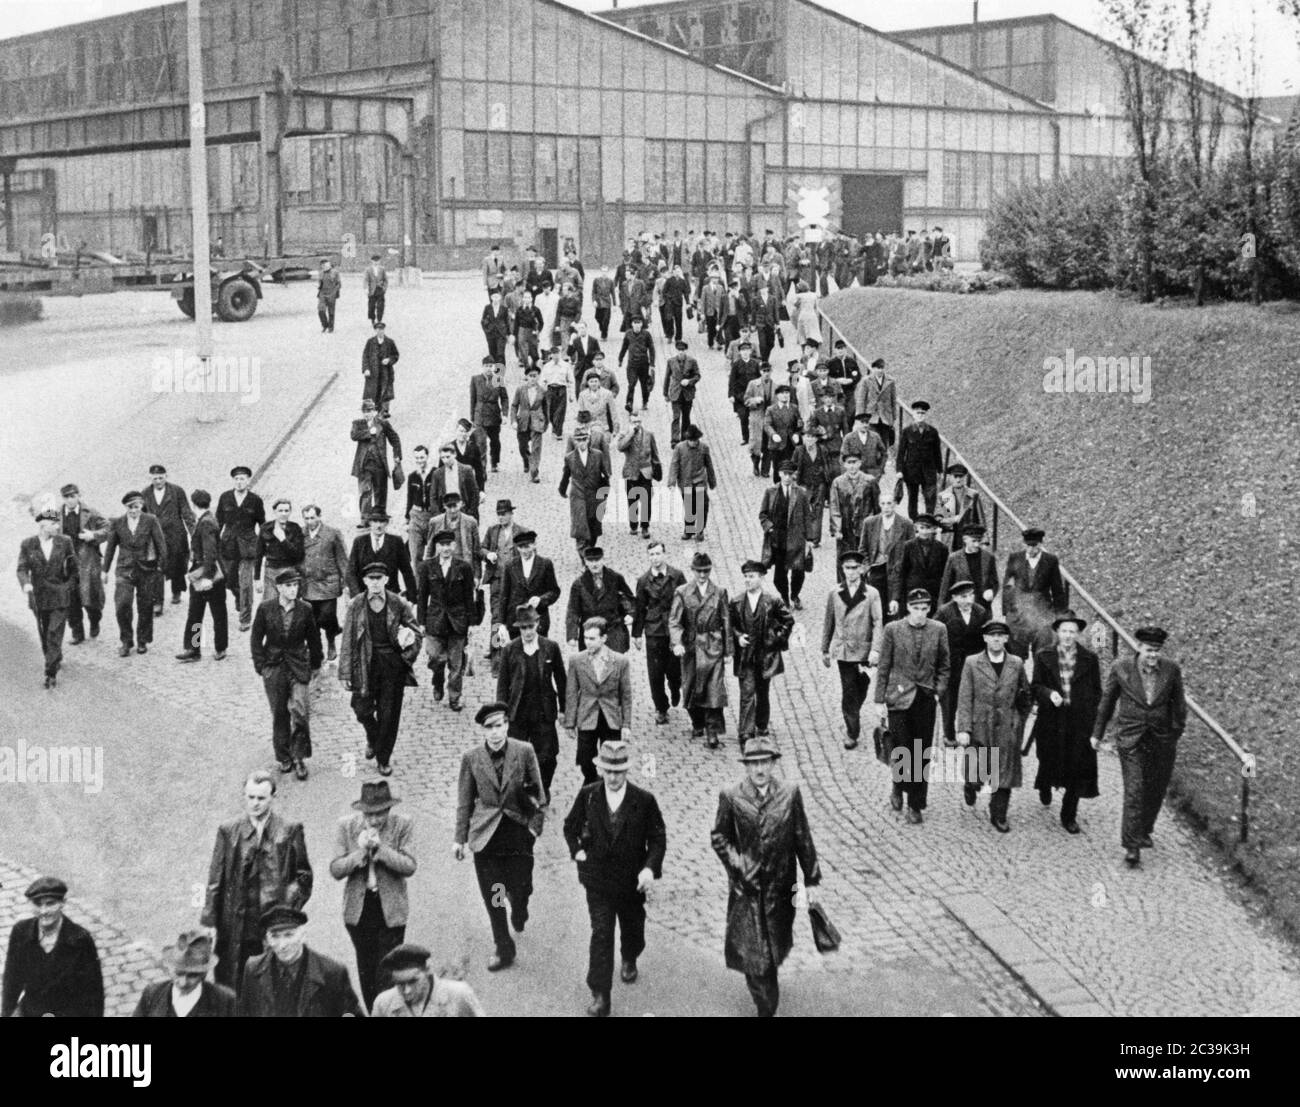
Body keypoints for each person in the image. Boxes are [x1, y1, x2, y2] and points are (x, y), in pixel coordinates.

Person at [711, 736, 821, 1018]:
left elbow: (802, 837)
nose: (760, 769)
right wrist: (738, 864)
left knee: (772, 949)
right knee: (753, 954)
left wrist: (811, 880)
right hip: (746, 890)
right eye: (754, 763)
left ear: (773, 763)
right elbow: (720, 837)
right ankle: (766, 1009)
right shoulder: (731, 796)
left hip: (780, 888)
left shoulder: (790, 793)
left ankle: (766, 994)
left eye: (765, 762)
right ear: (747, 766)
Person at [563, 741, 667, 1017]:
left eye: (618, 772)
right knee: (601, 934)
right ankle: (600, 994)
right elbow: (569, 826)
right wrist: (577, 852)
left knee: (633, 928)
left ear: (627, 770)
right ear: (600, 768)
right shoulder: (588, 796)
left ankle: (631, 954)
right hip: (597, 881)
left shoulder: (643, 801)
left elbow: (657, 838)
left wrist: (649, 869)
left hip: (632, 883)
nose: (612, 777)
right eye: (607, 771)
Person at [200, 771, 312, 993]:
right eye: (250, 797)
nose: (255, 804)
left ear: (273, 797)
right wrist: (209, 921)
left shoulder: (289, 830)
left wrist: (286, 908)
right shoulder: (228, 830)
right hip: (235, 923)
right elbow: (215, 879)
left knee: (271, 984)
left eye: (261, 798)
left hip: (271, 922)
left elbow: (304, 877)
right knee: (233, 981)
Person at [454, 702, 547, 971]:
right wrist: (459, 838)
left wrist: (533, 828)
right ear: (482, 730)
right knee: (494, 893)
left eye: (499, 725)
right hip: (486, 838)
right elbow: (464, 802)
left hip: (517, 834)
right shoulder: (472, 758)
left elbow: (538, 794)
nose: (495, 733)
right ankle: (503, 945)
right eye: (489, 727)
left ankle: (519, 906)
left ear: (507, 725)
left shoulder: (524, 751)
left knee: (520, 889)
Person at [1091, 626, 1188, 867]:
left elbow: (1179, 706)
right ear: (1138, 648)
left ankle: (1144, 829)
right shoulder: (1121, 668)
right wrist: (1097, 733)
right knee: (1134, 789)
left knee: (1155, 789)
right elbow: (1107, 702)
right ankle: (1132, 845)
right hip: (1131, 739)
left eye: (1157, 651)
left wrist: (1174, 734)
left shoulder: (1171, 670)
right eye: (1148, 650)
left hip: (1161, 740)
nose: (1153, 656)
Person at [329, 780, 416, 1010]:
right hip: (359, 911)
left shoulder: (402, 825)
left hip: (391, 911)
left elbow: (409, 866)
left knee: (387, 974)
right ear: (362, 811)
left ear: (389, 809)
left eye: (381, 813)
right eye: (370, 814)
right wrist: (360, 853)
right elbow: (336, 869)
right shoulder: (346, 827)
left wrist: (380, 850)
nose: (376, 819)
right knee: (367, 972)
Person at [339, 562, 423, 776]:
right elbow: (348, 638)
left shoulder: (398, 603)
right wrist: (345, 672)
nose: (375, 583)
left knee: (389, 715)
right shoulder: (356, 605)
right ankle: (372, 736)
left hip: (391, 666)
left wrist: (405, 659)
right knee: (361, 709)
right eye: (371, 579)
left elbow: (417, 634)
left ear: (386, 580)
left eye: (379, 578)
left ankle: (383, 758)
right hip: (364, 664)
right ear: (365, 581)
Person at [875, 588, 951, 823]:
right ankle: (898, 787)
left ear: (929, 609)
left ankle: (915, 804)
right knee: (901, 749)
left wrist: (938, 690)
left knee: (921, 752)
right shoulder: (893, 630)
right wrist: (879, 699)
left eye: (924, 609)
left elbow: (945, 665)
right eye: (916, 608)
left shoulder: (939, 630)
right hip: (898, 699)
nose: (920, 613)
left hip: (925, 699)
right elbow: (884, 666)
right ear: (908, 608)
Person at [1029, 611, 1101, 834]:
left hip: (1078, 721)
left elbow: (1097, 691)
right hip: (1051, 719)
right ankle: (1044, 784)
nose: (1068, 635)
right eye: (1064, 631)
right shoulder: (1043, 656)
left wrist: (1090, 714)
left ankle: (1068, 814)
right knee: (1047, 757)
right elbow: (1036, 686)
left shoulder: (1090, 659)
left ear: (1078, 633)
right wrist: (1049, 694)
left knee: (1077, 766)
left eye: (1072, 631)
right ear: (1057, 633)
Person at [956, 621, 1032, 831]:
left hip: (1007, 727)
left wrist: (1018, 722)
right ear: (985, 639)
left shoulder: (1016, 664)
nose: (996, 639)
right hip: (980, 725)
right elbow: (965, 697)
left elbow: (1026, 696)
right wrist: (963, 728)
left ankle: (999, 813)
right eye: (992, 635)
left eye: (1001, 635)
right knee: (977, 769)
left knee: (1004, 772)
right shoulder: (972, 663)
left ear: (1007, 639)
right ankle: (971, 785)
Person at [251, 568, 322, 780]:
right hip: (274, 667)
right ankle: (284, 756)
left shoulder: (305, 609)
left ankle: (299, 756)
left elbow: (314, 638)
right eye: (289, 586)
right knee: (279, 713)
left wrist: (315, 665)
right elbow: (256, 639)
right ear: (279, 587)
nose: (293, 589)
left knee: (300, 711)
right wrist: (261, 666)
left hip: (298, 665)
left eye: (296, 585)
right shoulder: (266, 609)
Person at [1, 876, 104, 1018]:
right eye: (38, 904)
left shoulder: (80, 939)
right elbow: (11, 981)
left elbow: (94, 993)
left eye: (50, 904)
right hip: (31, 1011)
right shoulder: (21, 932)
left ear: (62, 903)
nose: (43, 911)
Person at [237, 905, 363, 1017]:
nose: (282, 945)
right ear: (267, 939)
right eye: (275, 936)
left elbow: (350, 1012)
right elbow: (245, 1011)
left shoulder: (332, 972)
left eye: (289, 935)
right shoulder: (253, 968)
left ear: (303, 935)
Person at [496, 605, 567, 799]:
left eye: (531, 626)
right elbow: (503, 684)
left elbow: (562, 680)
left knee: (548, 756)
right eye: (523, 628)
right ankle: (520, 791)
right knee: (515, 755)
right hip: (518, 710)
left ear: (538, 624)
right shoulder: (510, 649)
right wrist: (501, 713)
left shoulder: (550, 647)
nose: (527, 631)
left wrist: (563, 710)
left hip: (543, 711)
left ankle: (542, 788)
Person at [821, 550, 884, 749]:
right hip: (844, 651)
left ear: (862, 569)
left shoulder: (872, 593)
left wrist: (875, 649)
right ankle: (852, 731)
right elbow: (828, 621)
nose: (851, 572)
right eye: (847, 568)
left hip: (864, 651)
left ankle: (852, 712)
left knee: (861, 687)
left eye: (855, 568)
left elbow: (877, 622)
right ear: (842, 569)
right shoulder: (835, 593)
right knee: (849, 690)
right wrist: (824, 649)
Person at [730, 560, 794, 748]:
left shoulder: (772, 601)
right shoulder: (737, 601)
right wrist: (738, 636)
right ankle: (746, 732)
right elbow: (730, 624)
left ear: (761, 578)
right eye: (746, 577)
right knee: (747, 692)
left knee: (763, 691)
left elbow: (788, 621)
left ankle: (761, 723)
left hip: (765, 656)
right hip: (745, 656)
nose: (748, 580)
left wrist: (775, 639)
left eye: (751, 577)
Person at [669, 551, 730, 746]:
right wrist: (677, 643)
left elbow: (726, 622)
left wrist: (728, 651)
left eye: (706, 571)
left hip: (713, 646)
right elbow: (674, 621)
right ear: (692, 571)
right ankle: (697, 722)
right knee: (690, 687)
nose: (702, 575)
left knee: (714, 689)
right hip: (690, 646)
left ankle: (713, 732)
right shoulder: (682, 592)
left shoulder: (719, 592)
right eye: (699, 571)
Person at [564, 617, 634, 783]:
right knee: (584, 759)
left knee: (611, 759)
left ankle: (602, 790)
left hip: (610, 717)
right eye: (586, 638)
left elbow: (626, 695)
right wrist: (570, 722)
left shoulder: (620, 661)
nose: (588, 643)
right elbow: (571, 692)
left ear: (603, 638)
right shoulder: (577, 660)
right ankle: (593, 783)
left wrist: (626, 725)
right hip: (587, 716)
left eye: (592, 639)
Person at [102, 489, 167, 657]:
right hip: (124, 570)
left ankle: (143, 640)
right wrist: (105, 570)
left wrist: (160, 567)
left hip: (146, 570)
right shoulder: (117, 523)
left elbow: (161, 545)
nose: (133, 511)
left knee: (145, 607)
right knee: (122, 605)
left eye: (136, 507)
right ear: (125, 507)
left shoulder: (150, 520)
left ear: (141, 506)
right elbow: (110, 548)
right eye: (130, 507)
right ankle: (126, 640)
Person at [17, 507, 77, 688]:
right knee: (44, 633)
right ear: (43, 525)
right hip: (39, 597)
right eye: (53, 524)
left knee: (53, 632)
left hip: (60, 596)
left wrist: (68, 587)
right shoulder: (28, 544)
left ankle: (50, 673)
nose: (57, 527)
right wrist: (26, 583)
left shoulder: (65, 542)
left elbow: (74, 568)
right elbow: (21, 568)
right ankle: (54, 657)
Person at [417, 528, 476, 711]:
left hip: (457, 621)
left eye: (449, 544)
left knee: (456, 664)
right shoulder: (427, 567)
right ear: (436, 547)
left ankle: (454, 698)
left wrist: (472, 623)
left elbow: (469, 597)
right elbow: (422, 596)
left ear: (454, 545)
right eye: (442, 545)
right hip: (435, 620)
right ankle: (437, 679)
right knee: (435, 657)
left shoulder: (464, 567)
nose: (446, 549)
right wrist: (420, 622)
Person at [633, 541, 686, 726]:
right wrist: (637, 634)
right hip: (654, 630)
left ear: (664, 554)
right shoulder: (643, 581)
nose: (655, 558)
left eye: (658, 554)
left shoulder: (677, 576)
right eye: (651, 555)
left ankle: (675, 687)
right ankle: (661, 708)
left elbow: (685, 602)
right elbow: (639, 608)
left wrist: (685, 628)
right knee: (655, 674)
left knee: (674, 669)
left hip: (673, 630)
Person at [175, 489, 228, 663]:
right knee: (202, 613)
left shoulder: (205, 523)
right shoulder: (209, 519)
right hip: (207, 573)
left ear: (193, 504)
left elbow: (210, 552)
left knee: (208, 613)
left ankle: (207, 648)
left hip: (207, 575)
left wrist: (206, 577)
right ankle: (199, 648)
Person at [133, 929, 235, 1017]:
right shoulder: (152, 994)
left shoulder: (224, 1000)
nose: (183, 983)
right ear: (169, 968)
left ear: (204, 973)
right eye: (178, 973)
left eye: (192, 976)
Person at [935, 580, 990, 745]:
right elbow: (934, 635)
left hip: (973, 664)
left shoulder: (980, 612)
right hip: (951, 664)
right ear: (954, 598)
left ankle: (970, 732)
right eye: (962, 597)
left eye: (970, 596)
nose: (967, 600)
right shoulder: (944, 612)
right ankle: (949, 734)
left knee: (973, 698)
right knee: (950, 701)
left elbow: (986, 636)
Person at [1003, 526, 1069, 659]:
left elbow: (1057, 590)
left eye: (1035, 546)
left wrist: (1061, 615)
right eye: (1028, 546)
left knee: (1042, 651)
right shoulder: (1015, 558)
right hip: (1018, 612)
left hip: (1042, 612)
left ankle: (1039, 678)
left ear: (1041, 544)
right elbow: (1007, 586)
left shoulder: (1050, 560)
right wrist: (1006, 611)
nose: (1031, 549)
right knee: (1016, 652)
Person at [370, 943, 484, 1017]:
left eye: (413, 981)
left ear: (428, 971)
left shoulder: (459, 994)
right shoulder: (383, 1004)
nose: (407, 991)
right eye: (400, 984)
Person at [142, 463, 195, 614]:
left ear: (166, 476)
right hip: (156, 537)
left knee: (178, 563)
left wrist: (194, 534)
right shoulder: (145, 493)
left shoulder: (177, 491)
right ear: (150, 478)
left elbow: (186, 513)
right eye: (155, 478)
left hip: (175, 535)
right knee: (157, 568)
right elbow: (142, 517)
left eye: (161, 477)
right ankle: (157, 601)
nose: (158, 481)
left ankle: (177, 589)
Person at [58, 483, 108, 644]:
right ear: (63, 498)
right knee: (70, 600)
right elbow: (43, 524)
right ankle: (77, 632)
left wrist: (93, 535)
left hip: (88, 561)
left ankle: (95, 621)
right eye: (66, 497)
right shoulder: (56, 514)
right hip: (67, 564)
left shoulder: (90, 513)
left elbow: (108, 528)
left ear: (79, 496)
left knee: (91, 598)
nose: (70, 500)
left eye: (73, 496)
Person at [217, 465, 265, 633]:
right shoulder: (225, 498)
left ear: (248, 480)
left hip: (248, 548)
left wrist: (263, 545)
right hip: (228, 546)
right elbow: (218, 522)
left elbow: (263, 525)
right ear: (233, 481)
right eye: (236, 479)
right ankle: (238, 597)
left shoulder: (255, 500)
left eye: (242, 479)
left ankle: (245, 617)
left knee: (246, 584)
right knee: (230, 582)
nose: (239, 482)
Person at [760, 461, 813, 610]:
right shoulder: (771, 492)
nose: (788, 477)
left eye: (791, 474)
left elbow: (807, 516)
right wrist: (770, 528)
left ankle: (794, 595)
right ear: (779, 474)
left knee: (798, 573)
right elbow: (763, 515)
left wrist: (809, 539)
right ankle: (784, 596)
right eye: (785, 474)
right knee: (779, 576)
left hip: (796, 540)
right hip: (778, 540)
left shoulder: (801, 493)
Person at [300, 504, 349, 662]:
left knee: (327, 616)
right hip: (308, 583)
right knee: (312, 619)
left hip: (328, 582)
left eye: (312, 518)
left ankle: (331, 640)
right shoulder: (299, 534)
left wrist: (346, 582)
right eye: (306, 518)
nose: (309, 521)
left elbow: (342, 559)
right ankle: (317, 649)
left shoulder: (332, 534)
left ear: (319, 517)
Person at [494, 529, 561, 640]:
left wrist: (541, 600)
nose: (524, 551)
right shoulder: (510, 565)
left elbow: (554, 591)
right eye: (521, 547)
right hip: (515, 622)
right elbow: (504, 595)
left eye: (527, 547)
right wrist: (501, 624)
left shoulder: (545, 564)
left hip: (538, 621)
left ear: (534, 545)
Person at [565, 546, 636, 653]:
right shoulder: (579, 584)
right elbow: (573, 610)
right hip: (590, 633)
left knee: (615, 666)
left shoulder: (616, 578)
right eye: (590, 561)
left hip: (613, 630)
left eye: (597, 560)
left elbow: (630, 599)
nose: (594, 564)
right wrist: (572, 634)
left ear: (603, 560)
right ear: (585, 562)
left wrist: (631, 614)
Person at [559, 425, 612, 558]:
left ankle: (590, 550)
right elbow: (566, 475)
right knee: (581, 528)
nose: (582, 442)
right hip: (578, 496)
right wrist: (562, 490)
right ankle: (585, 558)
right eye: (579, 440)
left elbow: (605, 476)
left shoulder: (598, 455)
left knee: (593, 528)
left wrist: (604, 495)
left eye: (584, 439)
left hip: (594, 496)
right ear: (575, 441)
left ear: (588, 440)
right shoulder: (570, 458)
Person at [347, 510, 417, 599]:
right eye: (375, 521)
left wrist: (412, 598)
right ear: (370, 523)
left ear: (387, 523)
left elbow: (407, 571)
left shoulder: (396, 542)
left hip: (390, 595)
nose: (378, 525)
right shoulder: (360, 542)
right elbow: (350, 572)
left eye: (382, 521)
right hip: (365, 595)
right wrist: (357, 596)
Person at [350, 401, 403, 520]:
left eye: (369, 411)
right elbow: (354, 435)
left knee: (380, 489)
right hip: (364, 465)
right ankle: (366, 518)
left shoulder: (383, 424)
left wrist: (397, 455)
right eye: (364, 411)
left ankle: (380, 514)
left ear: (374, 411)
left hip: (379, 463)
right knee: (365, 492)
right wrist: (370, 432)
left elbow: (395, 438)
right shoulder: (358, 424)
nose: (367, 414)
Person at [828, 453, 878, 576]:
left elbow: (877, 506)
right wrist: (837, 529)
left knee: (865, 558)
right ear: (844, 465)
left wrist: (876, 526)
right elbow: (834, 507)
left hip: (864, 526)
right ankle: (843, 588)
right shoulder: (838, 482)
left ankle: (865, 588)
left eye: (855, 462)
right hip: (845, 528)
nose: (852, 466)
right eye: (849, 463)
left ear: (860, 463)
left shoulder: (869, 480)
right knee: (845, 558)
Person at [616, 409, 661, 539]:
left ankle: (645, 527)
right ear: (630, 422)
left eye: (638, 421)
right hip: (631, 472)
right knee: (632, 501)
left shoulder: (649, 435)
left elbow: (655, 453)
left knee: (646, 501)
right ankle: (633, 525)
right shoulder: (625, 434)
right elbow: (620, 447)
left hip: (646, 473)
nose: (637, 424)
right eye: (634, 422)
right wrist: (630, 433)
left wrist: (657, 469)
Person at [667, 424, 716, 542]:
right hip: (686, 482)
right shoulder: (679, 448)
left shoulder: (704, 448)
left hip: (699, 481)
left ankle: (700, 530)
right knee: (690, 507)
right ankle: (688, 530)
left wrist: (712, 481)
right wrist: (671, 482)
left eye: (695, 440)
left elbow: (709, 465)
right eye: (691, 440)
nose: (694, 443)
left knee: (703, 505)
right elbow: (674, 465)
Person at [894, 514, 947, 618]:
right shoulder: (908, 546)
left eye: (928, 528)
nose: (924, 531)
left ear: (933, 529)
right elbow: (901, 573)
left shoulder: (942, 548)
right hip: (913, 592)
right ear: (916, 528)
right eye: (922, 528)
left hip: (933, 594)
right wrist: (897, 597)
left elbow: (945, 575)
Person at [896, 400, 943, 518]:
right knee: (912, 498)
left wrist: (940, 470)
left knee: (930, 498)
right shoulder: (907, 431)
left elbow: (937, 452)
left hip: (929, 471)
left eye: (922, 413)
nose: (920, 415)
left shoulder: (932, 432)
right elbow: (901, 452)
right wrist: (899, 470)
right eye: (918, 413)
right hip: (911, 471)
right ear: (913, 414)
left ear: (926, 415)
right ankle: (913, 522)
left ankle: (928, 520)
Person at [254, 497, 305, 603]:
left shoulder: (295, 528)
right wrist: (257, 579)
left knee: (289, 604)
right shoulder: (265, 528)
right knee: (270, 604)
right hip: (271, 572)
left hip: (289, 571)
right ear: (274, 512)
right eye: (280, 511)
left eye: (286, 511)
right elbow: (258, 555)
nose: (283, 514)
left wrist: (283, 539)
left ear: (290, 512)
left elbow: (298, 555)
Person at [939, 523, 998, 607]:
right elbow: (946, 586)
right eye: (973, 541)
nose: (977, 545)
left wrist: (992, 591)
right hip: (960, 605)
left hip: (982, 606)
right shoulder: (954, 558)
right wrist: (942, 608)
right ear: (965, 539)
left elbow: (995, 582)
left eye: (979, 541)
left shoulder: (988, 557)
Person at [470, 359, 509, 477]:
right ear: (482, 367)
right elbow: (472, 399)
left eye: (491, 366)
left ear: (494, 367)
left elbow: (504, 398)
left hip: (494, 414)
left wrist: (505, 414)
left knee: (495, 442)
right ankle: (482, 470)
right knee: (481, 443)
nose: (488, 368)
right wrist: (472, 417)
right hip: (480, 415)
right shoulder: (475, 379)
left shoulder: (498, 379)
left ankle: (494, 462)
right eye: (486, 366)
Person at [936, 463, 986, 552]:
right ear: (950, 477)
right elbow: (937, 519)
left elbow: (981, 520)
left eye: (961, 477)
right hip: (950, 537)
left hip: (969, 536)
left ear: (965, 477)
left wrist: (984, 541)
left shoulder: (973, 495)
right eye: (955, 477)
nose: (958, 480)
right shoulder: (943, 496)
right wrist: (952, 520)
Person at [511, 363, 548, 483]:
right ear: (526, 376)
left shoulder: (542, 390)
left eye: (535, 375)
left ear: (538, 376)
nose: (533, 378)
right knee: (522, 447)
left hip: (537, 421)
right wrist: (513, 421)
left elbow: (546, 407)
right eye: (531, 376)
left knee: (536, 448)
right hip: (523, 421)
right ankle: (527, 461)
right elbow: (514, 405)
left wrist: (546, 423)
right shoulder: (520, 389)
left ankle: (534, 472)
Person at [431, 441, 482, 523]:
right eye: (442, 458)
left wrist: (470, 513)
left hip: (464, 511)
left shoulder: (466, 470)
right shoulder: (437, 473)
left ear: (454, 454)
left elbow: (475, 493)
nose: (445, 461)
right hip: (446, 513)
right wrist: (438, 516)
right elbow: (433, 496)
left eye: (448, 457)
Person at [663, 339, 700, 447]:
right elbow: (667, 377)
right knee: (676, 417)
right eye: (679, 350)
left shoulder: (692, 361)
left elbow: (697, 375)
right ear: (677, 351)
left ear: (686, 351)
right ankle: (674, 440)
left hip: (688, 394)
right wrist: (665, 393)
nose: (681, 352)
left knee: (686, 417)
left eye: (683, 350)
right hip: (675, 393)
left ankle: (684, 438)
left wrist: (689, 381)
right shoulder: (671, 361)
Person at [855, 358, 896, 453]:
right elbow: (861, 400)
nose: (880, 370)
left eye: (882, 368)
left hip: (885, 417)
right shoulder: (866, 381)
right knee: (872, 440)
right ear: (873, 369)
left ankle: (883, 461)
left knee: (884, 442)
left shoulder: (890, 381)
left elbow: (893, 399)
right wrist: (860, 417)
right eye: (877, 368)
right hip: (871, 417)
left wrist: (893, 417)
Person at [742, 359, 774, 477]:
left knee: (768, 445)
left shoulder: (775, 386)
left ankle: (765, 470)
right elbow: (746, 400)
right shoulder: (753, 384)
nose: (766, 373)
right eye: (764, 371)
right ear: (760, 372)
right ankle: (755, 464)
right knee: (756, 444)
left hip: (769, 420)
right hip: (757, 419)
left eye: (768, 371)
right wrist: (755, 401)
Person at [361, 320, 399, 416]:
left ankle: (385, 411)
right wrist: (366, 369)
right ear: (375, 331)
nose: (380, 331)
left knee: (385, 391)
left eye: (382, 329)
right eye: (378, 330)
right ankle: (373, 409)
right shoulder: (370, 342)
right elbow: (365, 356)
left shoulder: (390, 342)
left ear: (384, 330)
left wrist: (389, 360)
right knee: (373, 391)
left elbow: (395, 355)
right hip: (373, 372)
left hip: (386, 372)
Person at [481, 287, 511, 362]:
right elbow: (483, 320)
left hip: (501, 333)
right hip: (490, 333)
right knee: (492, 352)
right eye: (494, 297)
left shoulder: (504, 309)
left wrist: (509, 334)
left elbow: (507, 321)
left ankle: (501, 371)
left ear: (500, 298)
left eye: (497, 297)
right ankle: (494, 370)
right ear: (491, 298)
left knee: (500, 353)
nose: (495, 299)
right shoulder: (487, 308)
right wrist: (486, 330)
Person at [591, 265, 616, 340]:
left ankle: (604, 335)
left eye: (605, 271)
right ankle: (602, 328)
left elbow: (613, 293)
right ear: (601, 271)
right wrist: (594, 300)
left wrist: (614, 305)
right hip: (599, 302)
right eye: (603, 271)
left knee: (606, 319)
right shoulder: (596, 280)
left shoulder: (610, 281)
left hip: (607, 302)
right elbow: (593, 292)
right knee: (598, 317)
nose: (604, 273)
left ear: (607, 272)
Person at [317, 258, 341, 332]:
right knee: (321, 310)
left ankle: (331, 327)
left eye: (326, 264)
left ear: (329, 264)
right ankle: (325, 325)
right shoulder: (320, 273)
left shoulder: (335, 272)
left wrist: (334, 292)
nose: (325, 266)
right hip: (322, 294)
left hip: (332, 294)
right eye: (323, 265)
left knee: (331, 312)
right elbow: (320, 283)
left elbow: (339, 284)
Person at [365, 253, 387, 324]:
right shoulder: (368, 270)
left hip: (380, 289)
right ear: (372, 261)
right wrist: (366, 289)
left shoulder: (382, 269)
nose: (376, 262)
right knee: (371, 306)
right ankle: (372, 319)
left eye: (377, 260)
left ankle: (379, 319)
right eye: (374, 260)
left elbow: (385, 280)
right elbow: (366, 280)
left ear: (379, 261)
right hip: (372, 290)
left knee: (380, 306)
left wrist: (384, 288)